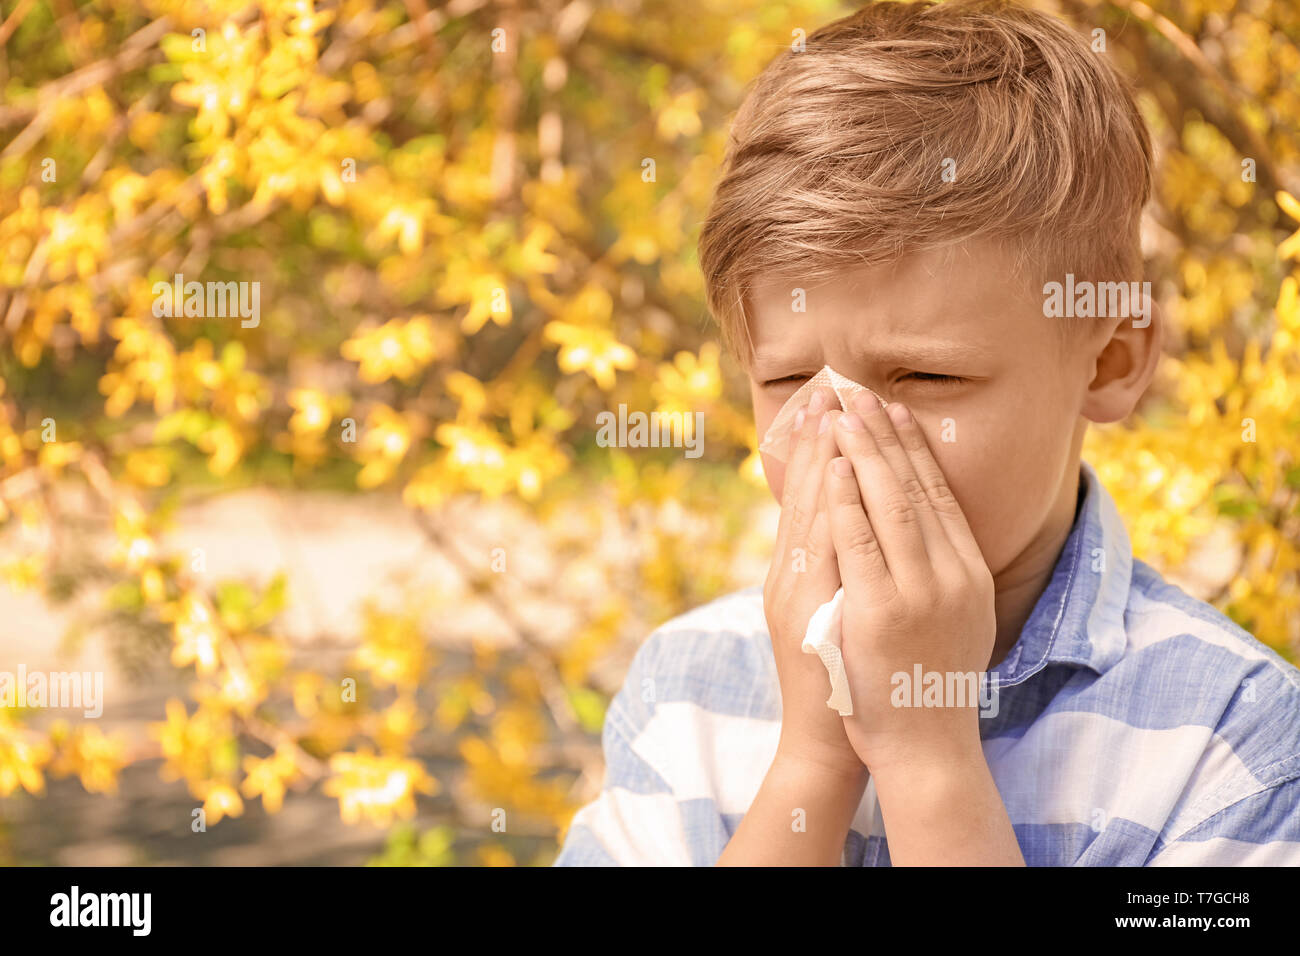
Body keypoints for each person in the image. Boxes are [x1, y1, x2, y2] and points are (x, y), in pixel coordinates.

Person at [554, 0, 1300, 866]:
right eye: (791, 382)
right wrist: (813, 759)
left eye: (926, 378)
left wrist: (926, 757)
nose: (843, 443)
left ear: (1108, 362)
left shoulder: (1231, 740)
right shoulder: (685, 690)